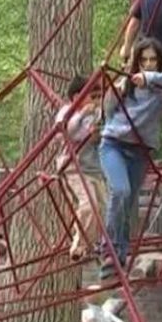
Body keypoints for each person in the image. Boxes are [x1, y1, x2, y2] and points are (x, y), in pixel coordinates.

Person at [99, 37, 162, 280]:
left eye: (152, 60)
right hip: (114, 146)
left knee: (129, 204)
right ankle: (108, 250)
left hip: (140, 152)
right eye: (143, 60)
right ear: (136, 62)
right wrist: (114, 92)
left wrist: (151, 78)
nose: (147, 64)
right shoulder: (125, 84)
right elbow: (107, 114)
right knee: (121, 191)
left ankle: (121, 254)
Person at [55, 75, 106, 261]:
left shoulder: (97, 114)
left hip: (93, 168)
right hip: (73, 167)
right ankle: (80, 245)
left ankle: (92, 244)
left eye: (98, 96)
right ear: (77, 97)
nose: (96, 101)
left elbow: (96, 137)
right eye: (92, 96)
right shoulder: (67, 112)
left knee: (103, 208)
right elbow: (65, 131)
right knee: (88, 205)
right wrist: (84, 114)